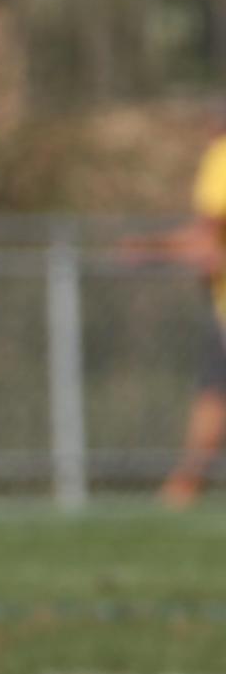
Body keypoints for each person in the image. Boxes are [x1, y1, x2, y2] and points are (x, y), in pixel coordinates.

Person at [128, 110, 226, 508]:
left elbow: (209, 246)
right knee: (214, 392)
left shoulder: (221, 159)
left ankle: (185, 485)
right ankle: (186, 483)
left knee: (214, 394)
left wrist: (152, 251)